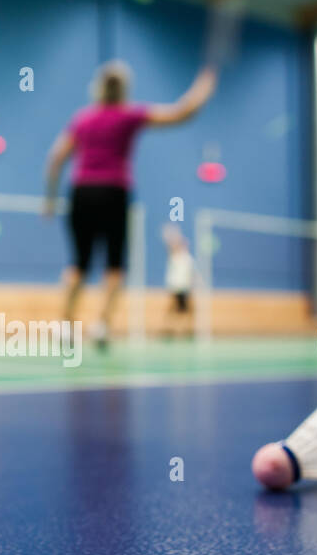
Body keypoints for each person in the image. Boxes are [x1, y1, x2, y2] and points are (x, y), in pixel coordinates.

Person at [43, 60, 217, 348]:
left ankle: (65, 325)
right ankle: (101, 326)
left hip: (81, 193)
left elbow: (55, 159)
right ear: (125, 89)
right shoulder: (130, 116)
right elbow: (182, 112)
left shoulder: (82, 119)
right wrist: (204, 87)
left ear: (98, 88)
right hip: (114, 193)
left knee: (78, 263)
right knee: (114, 265)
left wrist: (50, 200)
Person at [161, 224, 196, 339]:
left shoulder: (188, 258)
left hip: (185, 287)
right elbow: (170, 245)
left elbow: (192, 274)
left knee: (190, 309)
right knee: (172, 308)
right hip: (175, 286)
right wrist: (172, 234)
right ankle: (167, 330)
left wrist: (194, 285)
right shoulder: (175, 256)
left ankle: (189, 330)